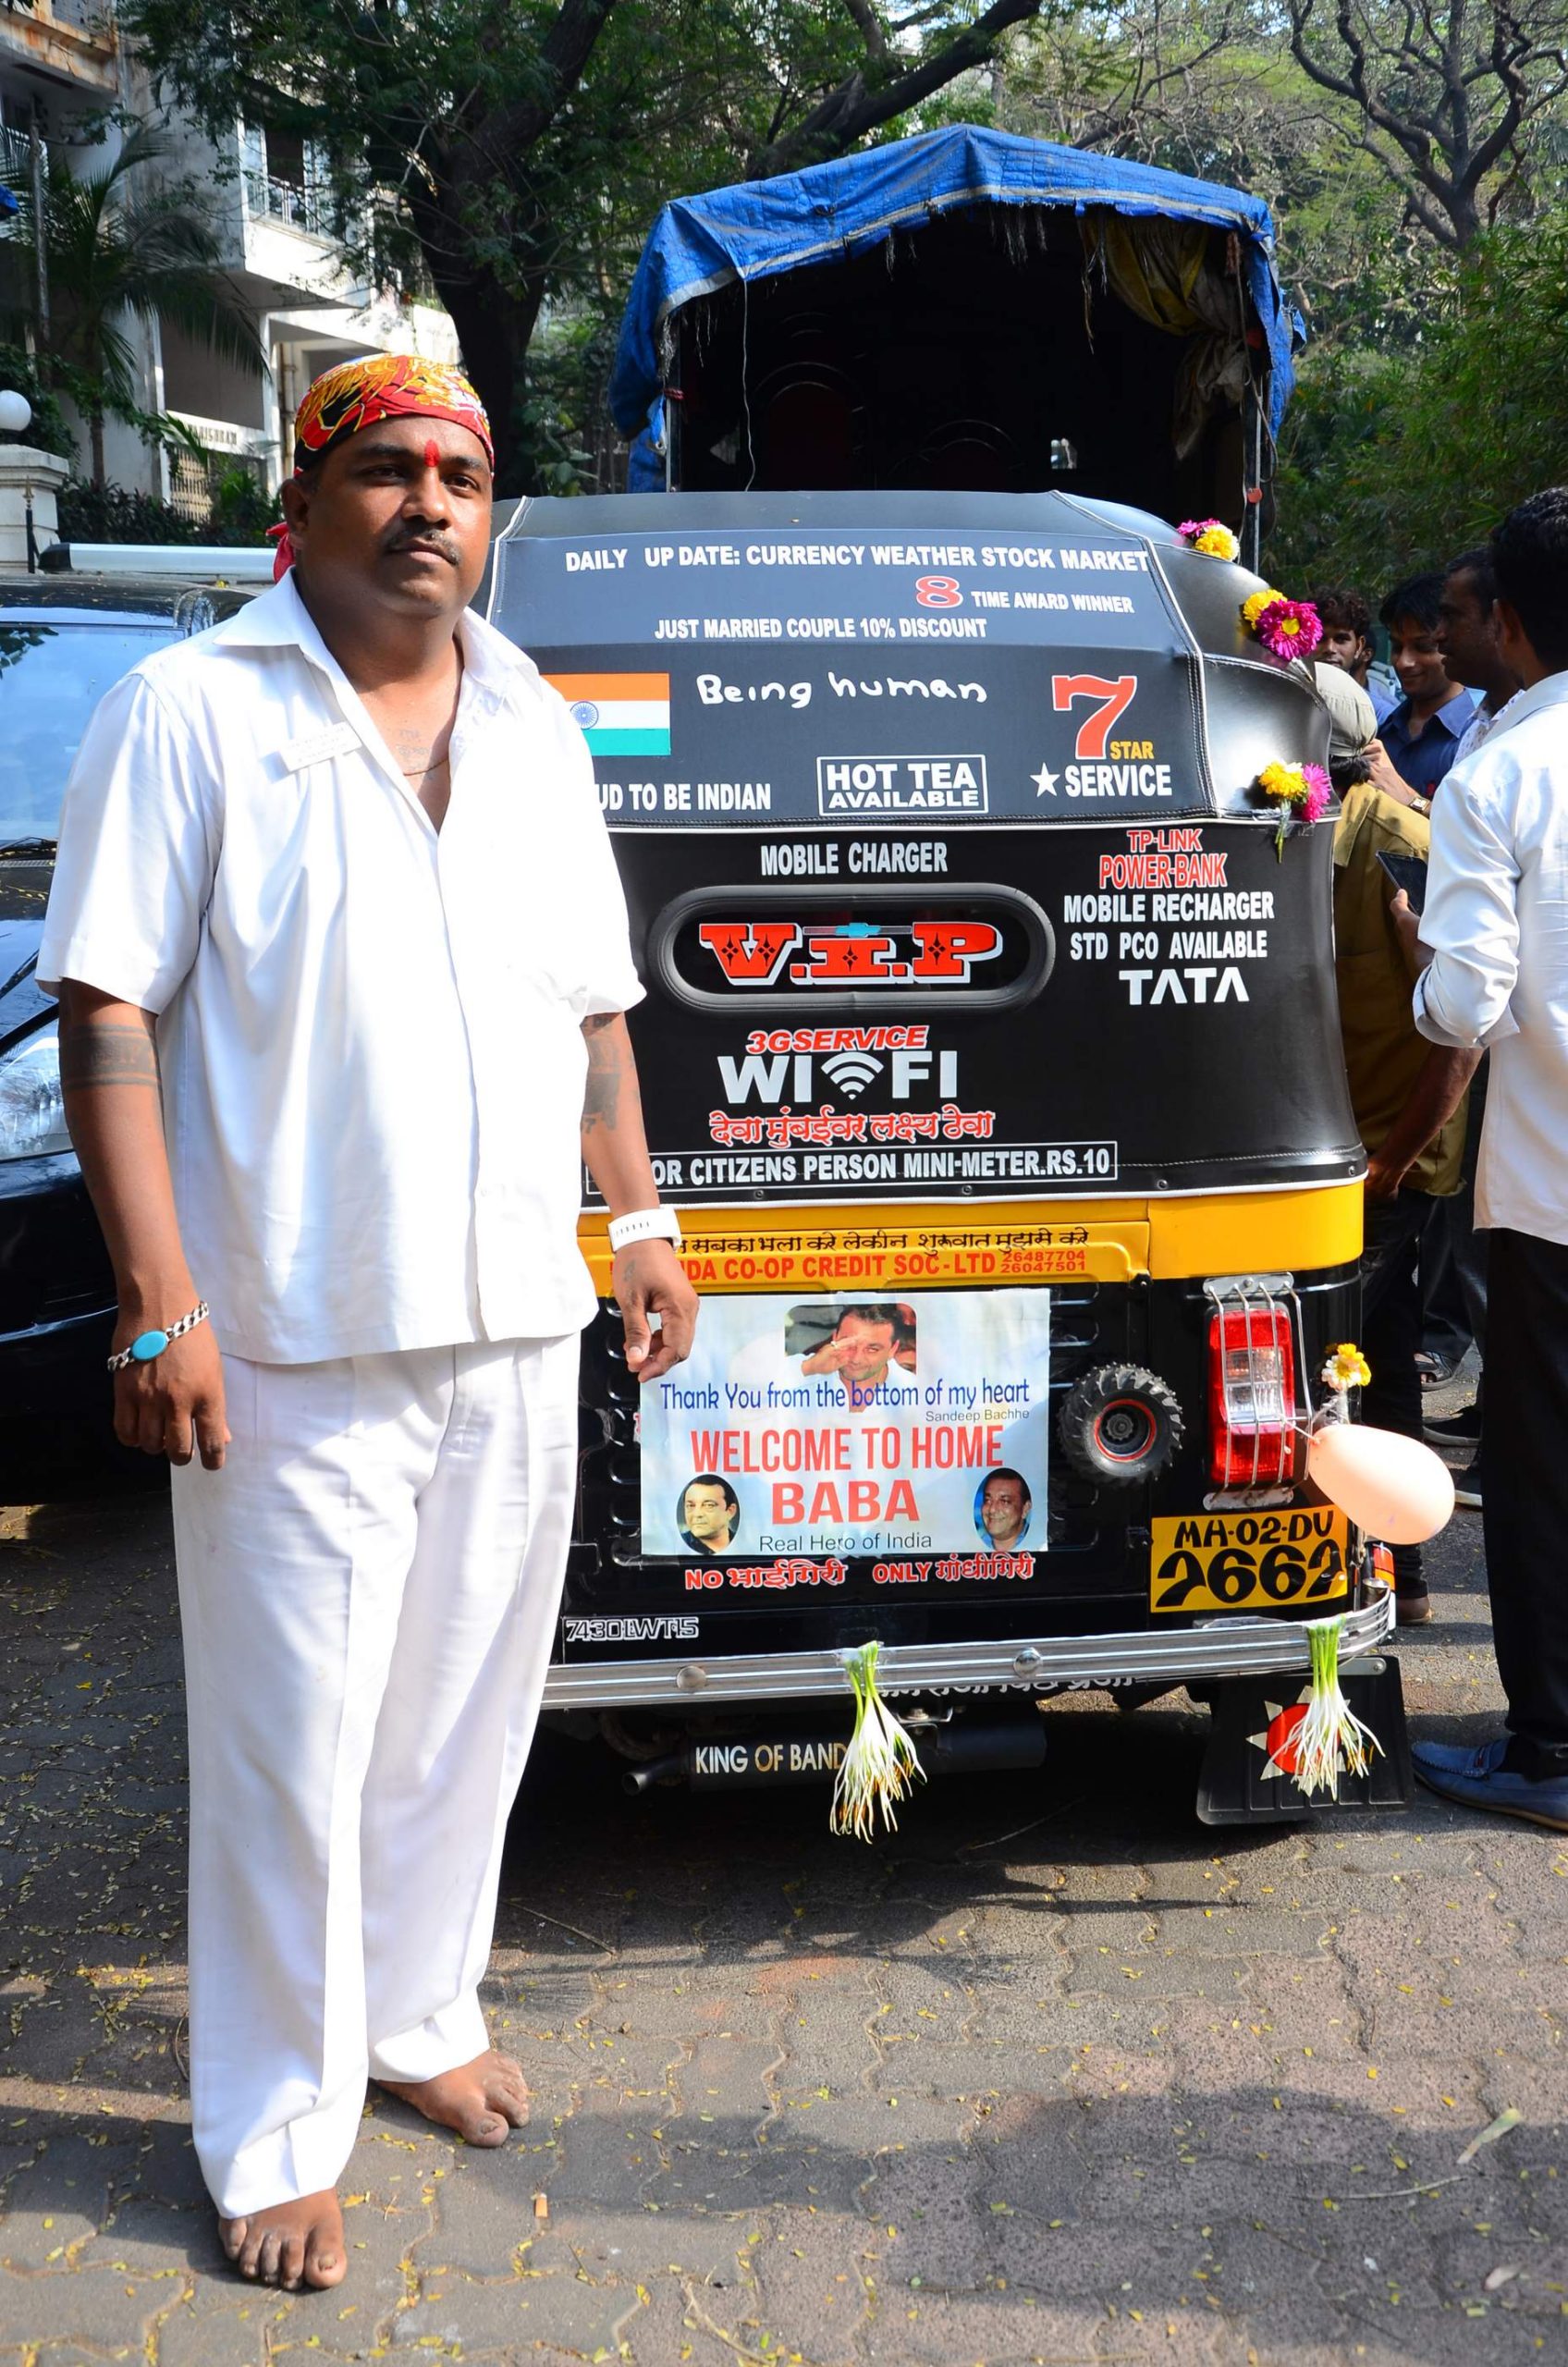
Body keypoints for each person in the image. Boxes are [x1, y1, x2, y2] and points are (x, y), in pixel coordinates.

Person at [39, 353, 699, 2291]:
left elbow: (595, 1009)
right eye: (389, 470)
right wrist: (158, 1307)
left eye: (462, 475)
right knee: (288, 1751)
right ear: (302, 508)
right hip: (288, 1335)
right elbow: (108, 1018)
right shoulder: (189, 711)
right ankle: (269, 2125)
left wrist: (640, 1218)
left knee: (459, 1725)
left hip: (510, 1314)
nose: (429, 503)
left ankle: (414, 2014)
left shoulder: (532, 720)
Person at [1398, 486, 1568, 1828]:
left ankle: (1551, 1749)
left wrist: (1415, 961)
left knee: (1542, 1469)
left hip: (1555, 1189)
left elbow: (1465, 1005)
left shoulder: (1501, 774)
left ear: (1505, 619)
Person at [1329, 667, 1479, 1625]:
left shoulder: (1398, 845)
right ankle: (1403, 1579)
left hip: (1395, 1152)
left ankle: (1368, 1579)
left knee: (1330, 1366)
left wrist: (1391, 1162)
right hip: (1346, 1149)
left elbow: (1458, 1035)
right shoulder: (1303, 838)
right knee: (1375, 1356)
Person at [1377, 573, 1476, 802]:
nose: (1404, 662)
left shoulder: (1475, 738)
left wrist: (1412, 801)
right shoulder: (1382, 733)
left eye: (1422, 647)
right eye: (1397, 647)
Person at [1313, 586, 1398, 722]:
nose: (1330, 648)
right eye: (1320, 639)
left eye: (1341, 640)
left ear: (1359, 647)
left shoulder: (1379, 716)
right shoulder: (1284, 700)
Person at [801, 1303, 913, 1398]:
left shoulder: (914, 1392)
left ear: (893, 1349)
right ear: (835, 1338)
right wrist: (808, 1368)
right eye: (849, 1345)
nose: (856, 1359)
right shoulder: (804, 1371)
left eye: (872, 1349)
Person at [680, 1475, 740, 1555]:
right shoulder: (678, 1545)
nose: (698, 1514)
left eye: (709, 1505)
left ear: (730, 1511)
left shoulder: (743, 1543)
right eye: (691, 1506)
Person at [978, 1467, 1032, 1548]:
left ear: (1025, 1509)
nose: (992, 1509)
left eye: (1004, 1501)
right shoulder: (970, 1548)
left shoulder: (1037, 1546)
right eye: (987, 1500)